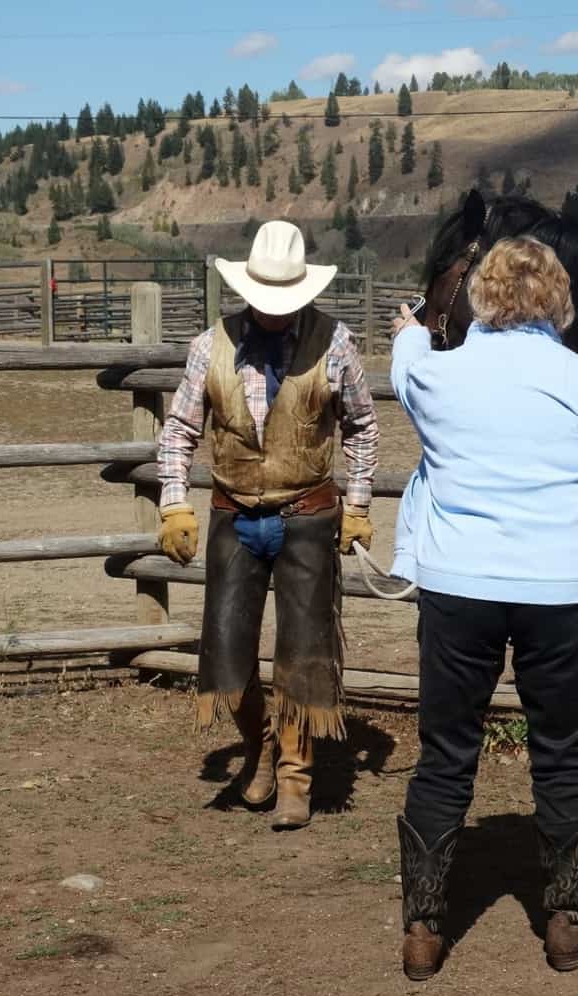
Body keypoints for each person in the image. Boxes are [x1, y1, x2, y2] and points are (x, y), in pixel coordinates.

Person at [388, 237, 578, 979]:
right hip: (559, 587)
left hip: (459, 583)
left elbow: (406, 357)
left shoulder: (434, 374)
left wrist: (409, 331)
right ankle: (566, 920)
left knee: (445, 751)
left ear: (479, 296)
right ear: (558, 299)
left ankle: (424, 928)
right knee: (561, 750)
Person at [155, 221, 378, 831]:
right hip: (234, 512)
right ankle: (258, 745)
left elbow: (361, 427)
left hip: (308, 512)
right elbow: (179, 432)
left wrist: (358, 504)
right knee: (226, 652)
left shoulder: (335, 343)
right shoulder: (211, 347)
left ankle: (295, 776)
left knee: (304, 652)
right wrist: (174, 504)